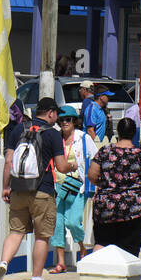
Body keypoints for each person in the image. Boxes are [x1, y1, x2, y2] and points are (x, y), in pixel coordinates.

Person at [0, 96, 74, 280]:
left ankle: (3, 264)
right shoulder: (53, 134)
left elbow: (9, 161)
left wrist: (5, 187)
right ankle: (36, 279)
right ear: (50, 113)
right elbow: (60, 166)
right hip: (42, 191)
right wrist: (73, 166)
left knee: (16, 232)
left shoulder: (18, 129)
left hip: (18, 189)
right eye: (56, 115)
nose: (57, 119)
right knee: (42, 236)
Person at [87, 117, 141, 255]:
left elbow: (92, 175)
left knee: (102, 244)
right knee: (129, 249)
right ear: (134, 133)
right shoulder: (139, 155)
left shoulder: (104, 151)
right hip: (132, 210)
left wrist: (107, 185)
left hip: (105, 207)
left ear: (118, 132)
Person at [50, 105, 99, 270]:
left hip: (77, 186)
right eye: (61, 120)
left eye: (68, 119)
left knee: (72, 221)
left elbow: (96, 158)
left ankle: (82, 248)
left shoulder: (83, 138)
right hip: (57, 185)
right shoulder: (56, 138)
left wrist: (97, 183)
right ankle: (61, 262)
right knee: (57, 224)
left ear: (74, 121)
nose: (64, 123)